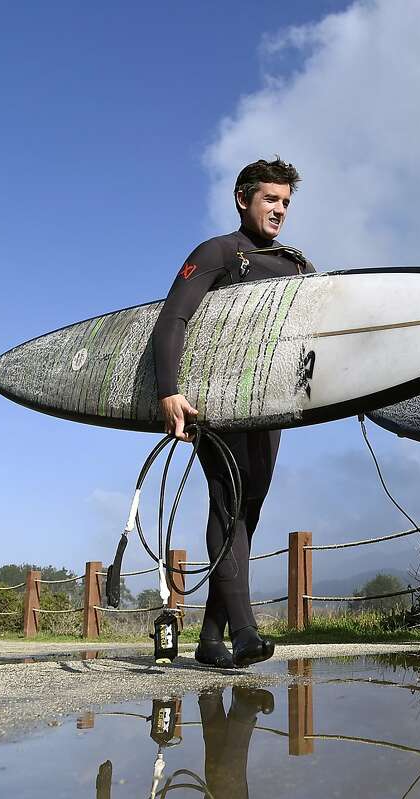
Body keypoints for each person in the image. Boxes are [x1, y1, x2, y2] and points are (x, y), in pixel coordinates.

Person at [151, 157, 313, 668]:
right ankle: (244, 631)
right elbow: (172, 318)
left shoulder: (296, 264)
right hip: (217, 403)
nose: (280, 210)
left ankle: (209, 639)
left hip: (272, 409)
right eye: (271, 199)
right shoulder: (220, 252)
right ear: (244, 199)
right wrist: (169, 391)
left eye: (286, 202)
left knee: (250, 512)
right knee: (227, 502)